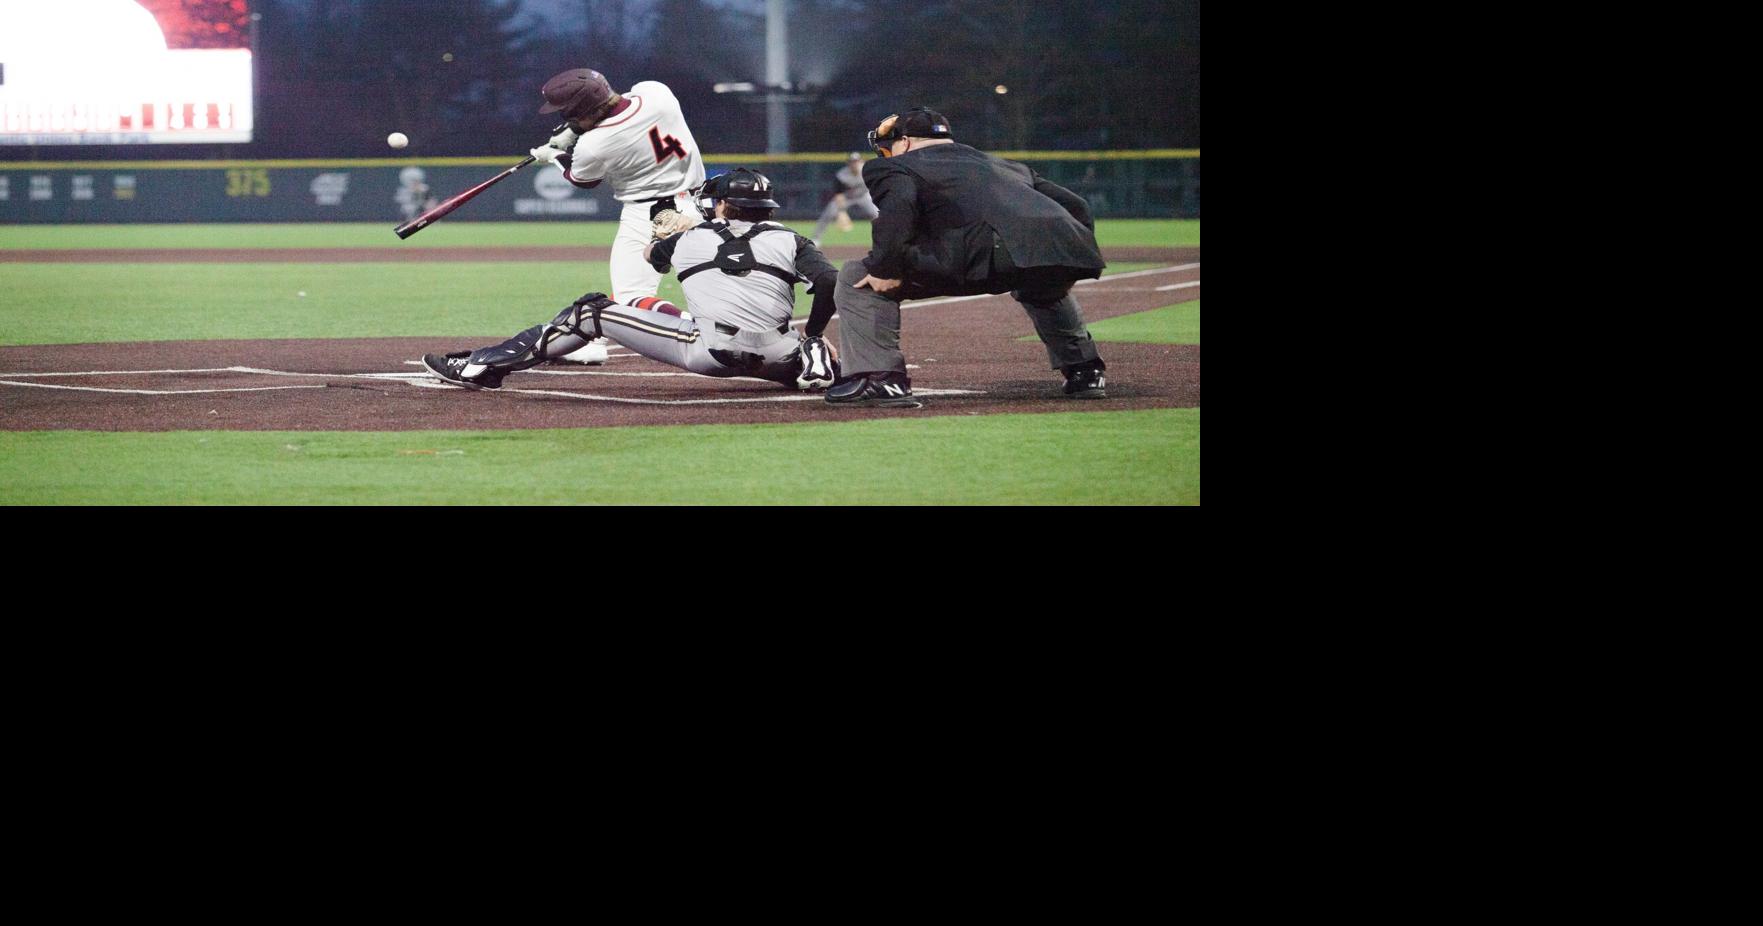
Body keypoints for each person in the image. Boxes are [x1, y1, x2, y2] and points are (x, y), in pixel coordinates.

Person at [422, 169, 838, 394]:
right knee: (804, 346)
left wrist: (672, 231)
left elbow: (652, 258)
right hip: (778, 352)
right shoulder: (792, 240)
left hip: (711, 351)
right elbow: (830, 283)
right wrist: (815, 331)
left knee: (591, 310)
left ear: (725, 204)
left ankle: (483, 367)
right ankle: (816, 357)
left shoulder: (688, 237)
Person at [826, 108, 1109, 408]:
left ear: (905, 142)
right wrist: (1068, 262)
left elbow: (899, 210)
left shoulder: (893, 166)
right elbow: (1076, 206)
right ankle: (1086, 371)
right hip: (1054, 252)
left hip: (978, 256)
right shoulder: (1003, 165)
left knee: (858, 274)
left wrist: (885, 268)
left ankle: (880, 379)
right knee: (1042, 283)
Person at [526, 68, 709, 364]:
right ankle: (582, 341)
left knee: (630, 297)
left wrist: (554, 156)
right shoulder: (657, 92)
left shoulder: (595, 145)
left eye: (567, 114)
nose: (565, 119)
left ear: (580, 110)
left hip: (653, 215)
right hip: (701, 204)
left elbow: (582, 179)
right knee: (702, 284)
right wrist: (574, 130)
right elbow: (621, 103)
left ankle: (698, 330)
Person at [809, 152, 879, 244]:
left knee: (877, 214)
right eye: (852, 162)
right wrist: (842, 212)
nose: (854, 164)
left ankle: (884, 239)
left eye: (856, 161)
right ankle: (816, 238)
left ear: (861, 161)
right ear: (848, 163)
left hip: (864, 197)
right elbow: (839, 194)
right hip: (846, 198)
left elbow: (876, 186)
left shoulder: (867, 171)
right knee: (829, 214)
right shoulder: (842, 175)